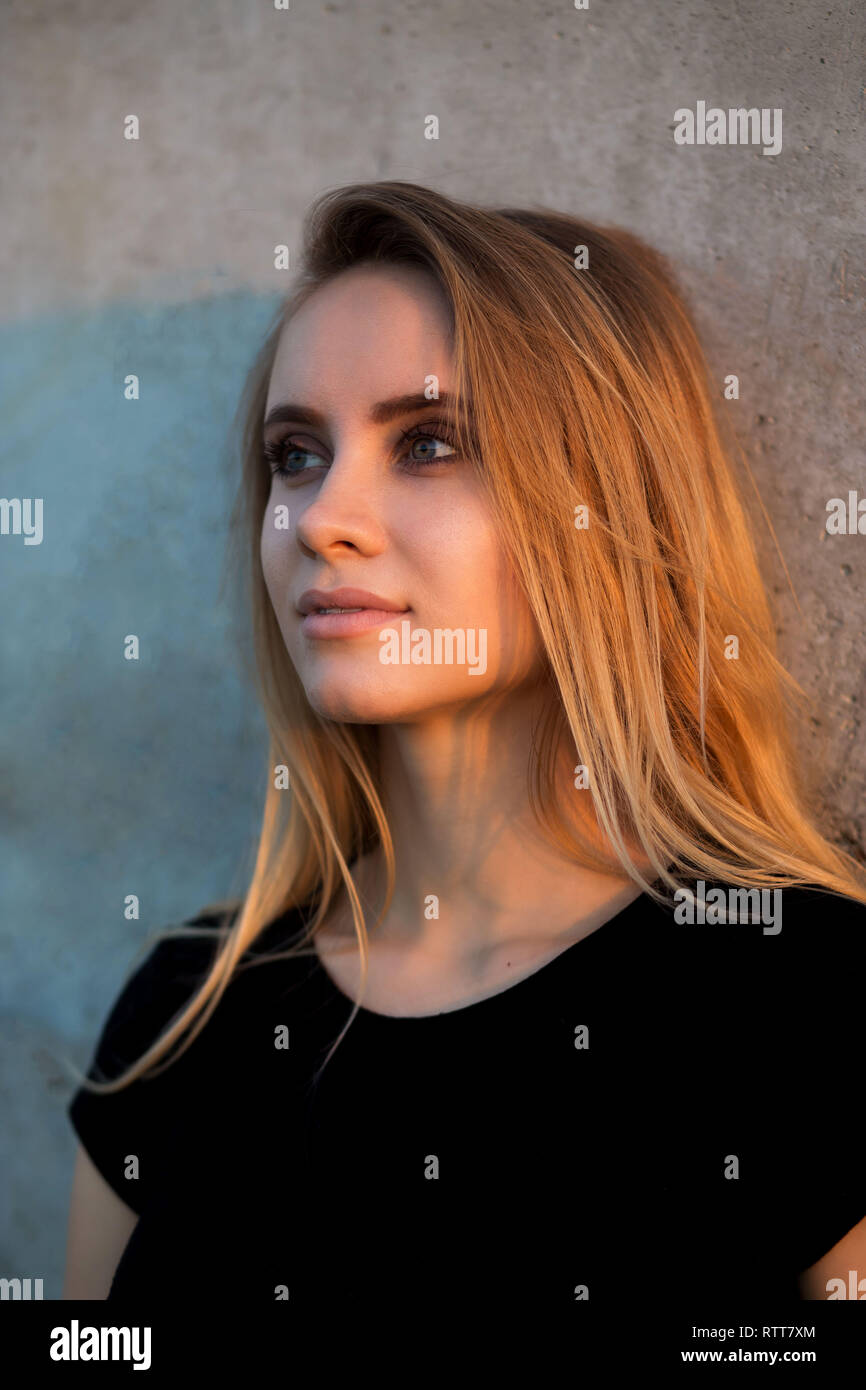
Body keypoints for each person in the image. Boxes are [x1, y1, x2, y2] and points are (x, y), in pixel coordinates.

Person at [63, 180, 866, 1311]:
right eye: (295, 454)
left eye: (429, 441)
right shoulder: (187, 1013)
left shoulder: (802, 999)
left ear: (610, 507)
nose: (319, 516)